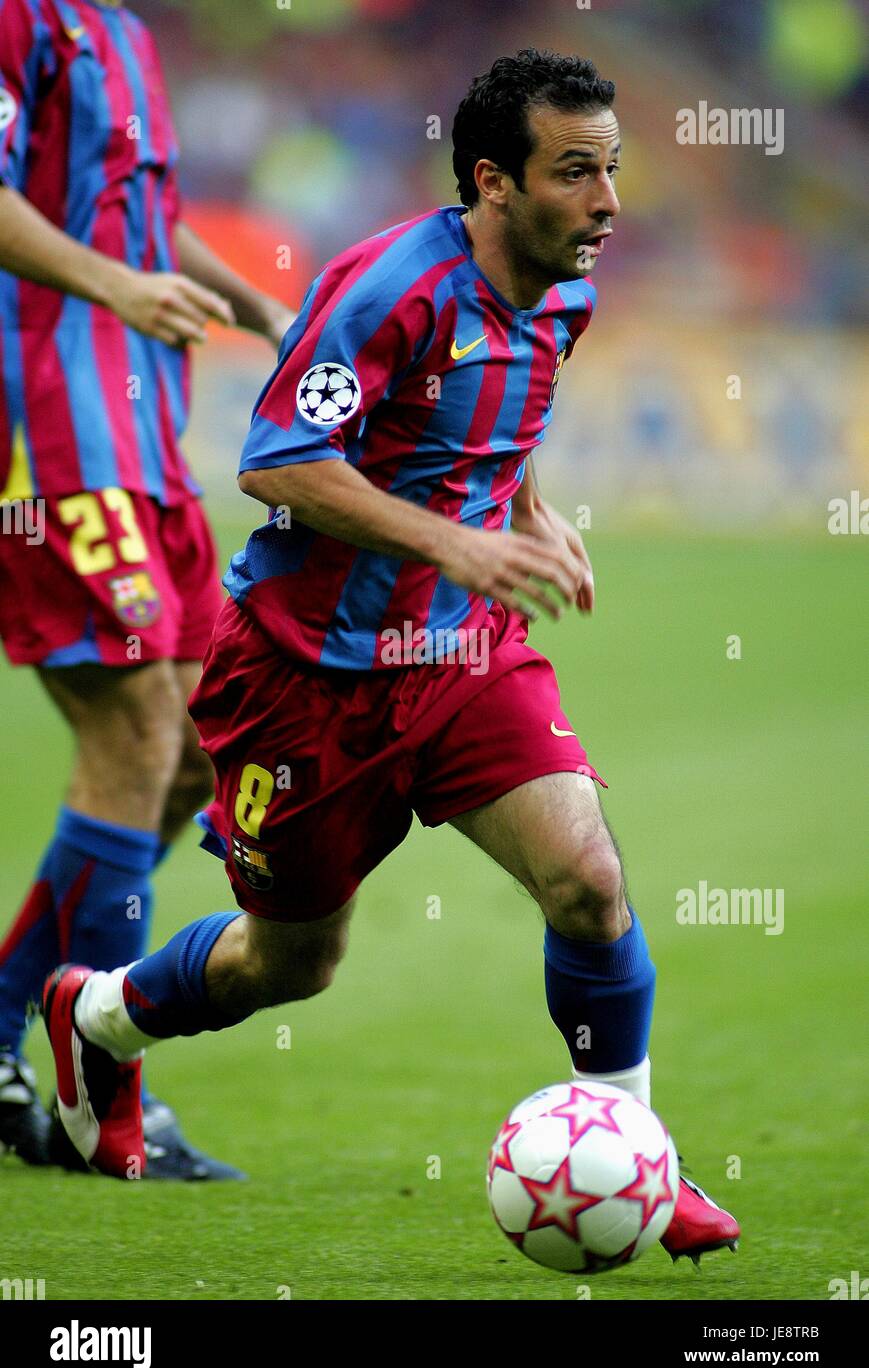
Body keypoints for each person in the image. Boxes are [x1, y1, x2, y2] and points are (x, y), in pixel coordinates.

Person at [42, 47, 739, 1262]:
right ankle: (95, 1016)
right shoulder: (384, 289)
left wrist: (525, 511)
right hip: (304, 676)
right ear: (492, 180)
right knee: (291, 962)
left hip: (463, 656)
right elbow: (274, 460)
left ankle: (637, 1148)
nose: (607, 202)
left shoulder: (565, 290)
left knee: (586, 880)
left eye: (610, 170)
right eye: (575, 173)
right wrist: (448, 541)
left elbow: (495, 419)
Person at [0, 0, 294, 1178]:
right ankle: (103, 1095)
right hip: (49, 436)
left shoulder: (123, 27)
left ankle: (15, 1021)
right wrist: (115, 291)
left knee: (191, 754)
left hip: (145, 441)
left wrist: (265, 308)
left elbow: (144, 221)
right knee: (136, 728)